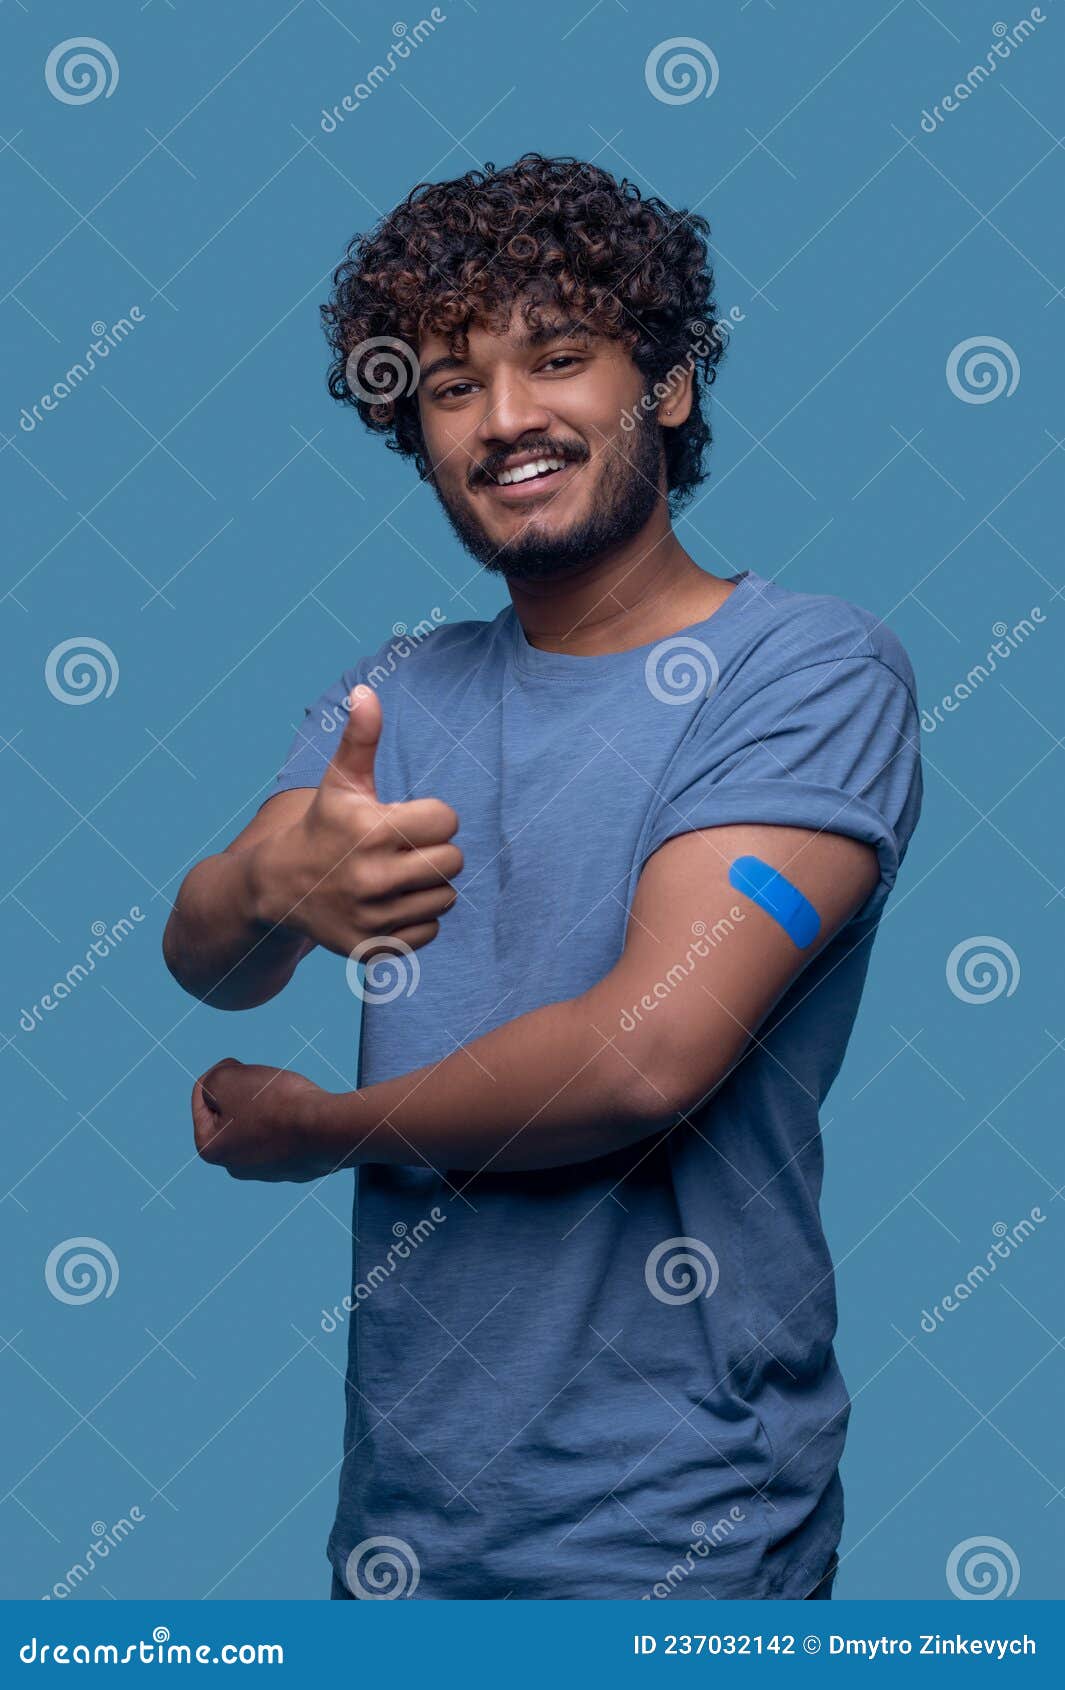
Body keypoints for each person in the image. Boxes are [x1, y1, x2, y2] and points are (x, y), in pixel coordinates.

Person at [163, 154, 923, 1601]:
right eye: (453, 385)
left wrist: (325, 1129)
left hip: (679, 1525)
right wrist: (267, 883)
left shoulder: (808, 670)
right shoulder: (397, 689)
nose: (507, 417)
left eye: (559, 359)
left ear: (669, 387)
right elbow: (210, 958)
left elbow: (646, 1054)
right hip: (404, 1526)